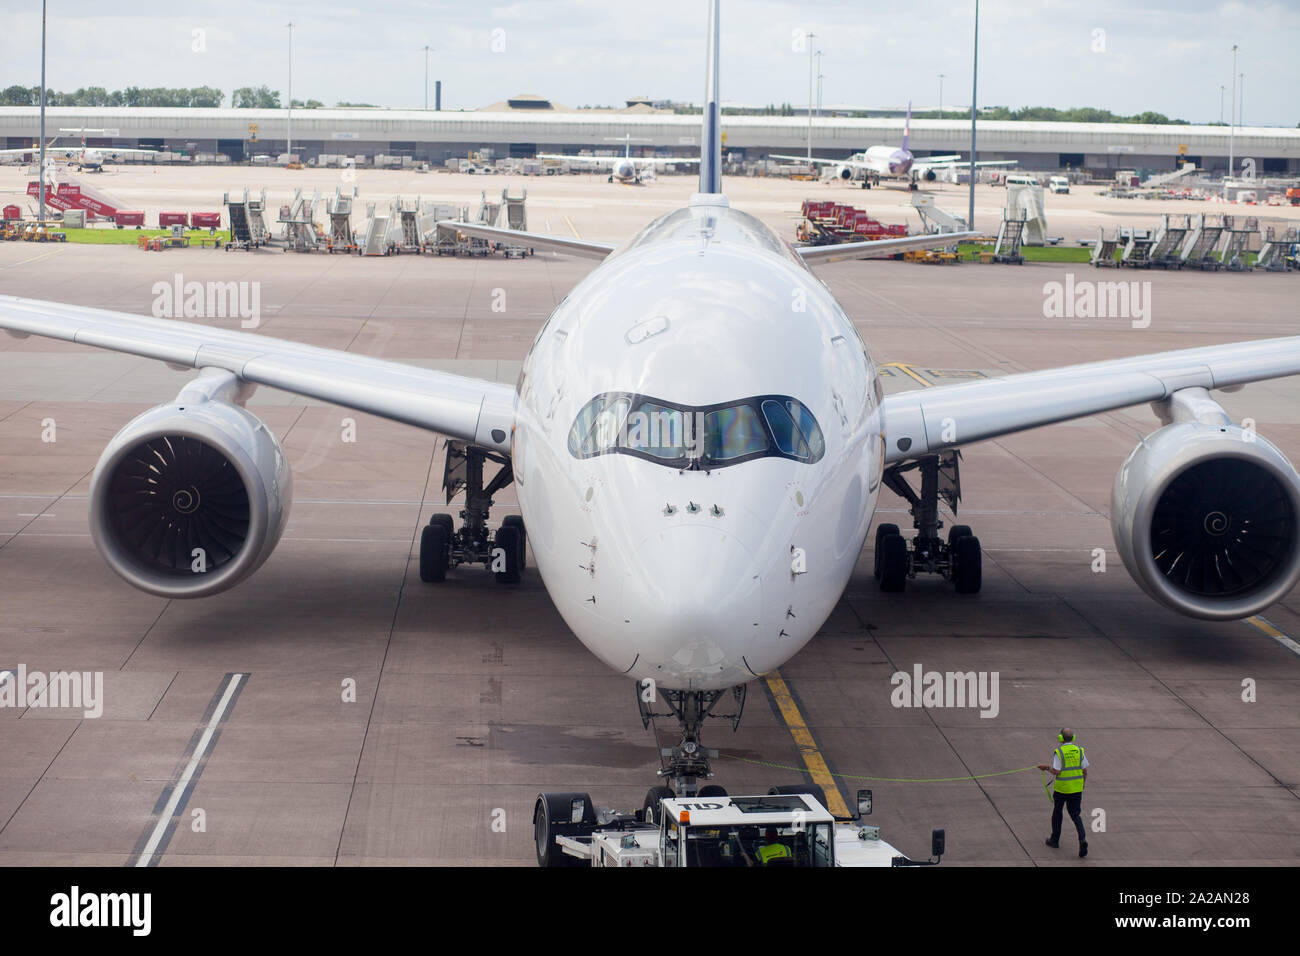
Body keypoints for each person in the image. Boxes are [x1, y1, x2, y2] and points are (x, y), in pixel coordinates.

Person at [1037, 728, 1089, 858]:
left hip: (1062, 789)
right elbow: (1085, 771)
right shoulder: (1079, 751)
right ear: (1073, 737)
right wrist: (1082, 784)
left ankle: (1055, 840)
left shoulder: (1059, 752)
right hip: (1076, 789)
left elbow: (1057, 771)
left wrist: (1046, 768)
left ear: (1061, 738)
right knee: (1076, 815)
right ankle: (1082, 839)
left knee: (1058, 811)